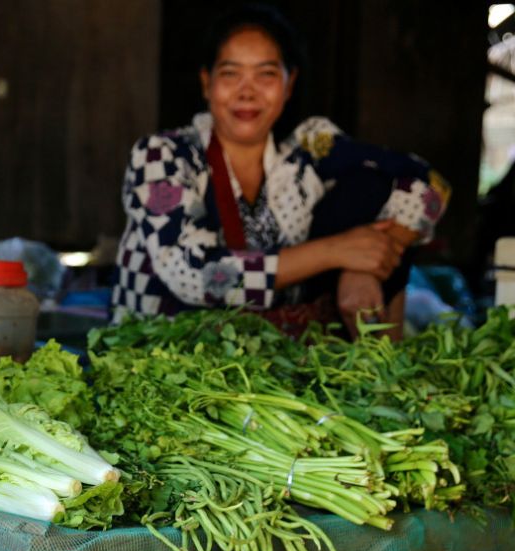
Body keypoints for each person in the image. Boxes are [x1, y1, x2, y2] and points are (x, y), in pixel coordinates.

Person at [113, 2, 450, 339]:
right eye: (231, 73)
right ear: (207, 83)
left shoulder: (309, 152)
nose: (247, 92)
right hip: (158, 360)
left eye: (266, 74)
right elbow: (193, 273)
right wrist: (336, 250)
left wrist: (365, 265)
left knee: (369, 183)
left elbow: (428, 184)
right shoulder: (163, 156)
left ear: (290, 84)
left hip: (264, 367)